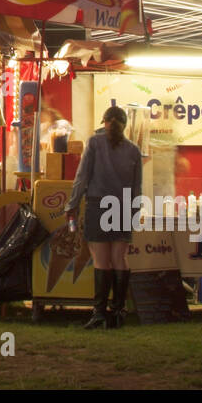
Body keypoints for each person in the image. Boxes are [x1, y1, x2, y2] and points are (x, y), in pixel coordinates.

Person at [65, 105, 143, 330]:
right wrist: (134, 213)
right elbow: (137, 187)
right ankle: (118, 312)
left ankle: (99, 313)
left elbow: (82, 177)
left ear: (105, 122)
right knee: (120, 258)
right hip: (123, 206)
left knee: (101, 261)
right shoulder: (134, 150)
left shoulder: (94, 143)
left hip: (99, 205)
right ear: (124, 125)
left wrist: (72, 204)